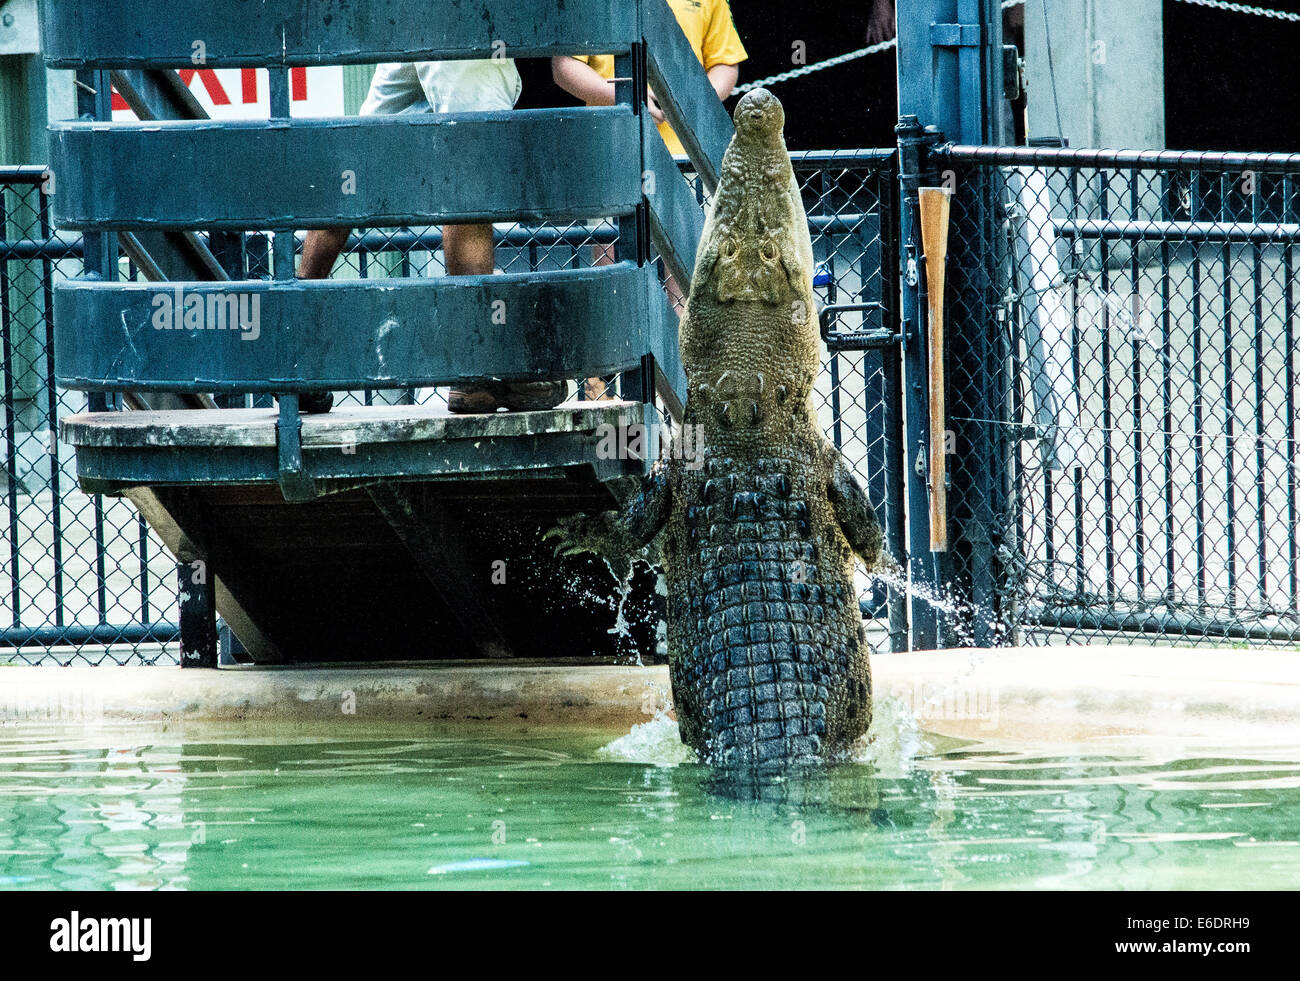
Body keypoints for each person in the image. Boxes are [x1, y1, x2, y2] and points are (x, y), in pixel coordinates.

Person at [297, 59, 567, 415]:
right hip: (472, 27)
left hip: (416, 19)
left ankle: (297, 351)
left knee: (360, 160)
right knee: (469, 173)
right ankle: (474, 367)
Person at [551, 0, 747, 400]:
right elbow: (564, 67)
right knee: (609, 268)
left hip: (686, 159)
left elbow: (726, 63)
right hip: (612, 151)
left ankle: (690, 392)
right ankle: (598, 389)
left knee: (687, 277)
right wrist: (625, 94)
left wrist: (686, 102)